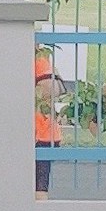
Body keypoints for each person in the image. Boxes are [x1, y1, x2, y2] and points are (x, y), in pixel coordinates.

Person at [34, 43, 62, 195]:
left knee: (38, 189)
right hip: (37, 133)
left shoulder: (39, 59)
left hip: (41, 134)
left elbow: (48, 88)